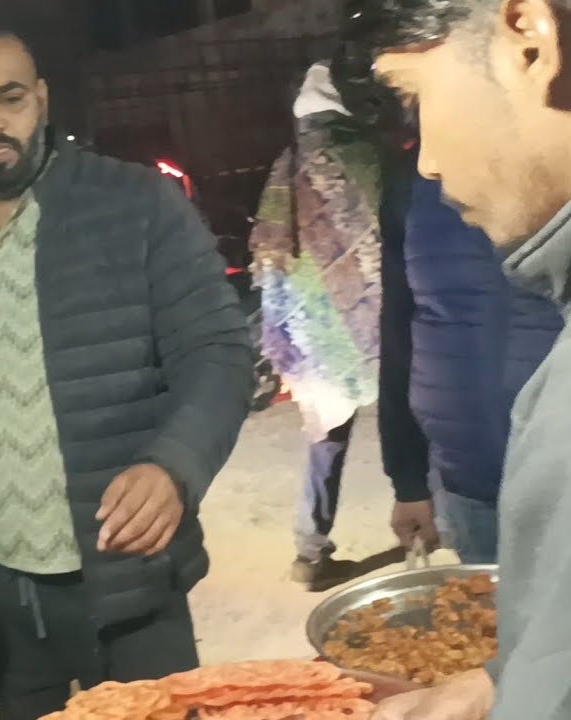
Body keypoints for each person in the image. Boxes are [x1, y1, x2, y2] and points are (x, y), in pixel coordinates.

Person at [0, 14, 254, 719]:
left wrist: (173, 464)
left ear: (43, 99)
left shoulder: (137, 206)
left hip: (128, 581)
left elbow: (218, 350)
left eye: (10, 97)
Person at [346, 0, 571, 718]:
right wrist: (500, 683)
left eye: (417, 95)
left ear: (527, 39)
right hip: (467, 479)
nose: (430, 160)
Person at [248, 58, 389, 588]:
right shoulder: (370, 159)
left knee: (327, 434)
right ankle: (435, 529)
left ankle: (310, 552)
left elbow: (270, 251)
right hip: (381, 315)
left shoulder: (286, 165)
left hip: (315, 329)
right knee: (422, 420)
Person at [380, 172, 562, 565]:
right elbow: (399, 333)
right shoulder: (412, 187)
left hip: (560, 488)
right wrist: (408, 481)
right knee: (484, 620)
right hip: (467, 484)